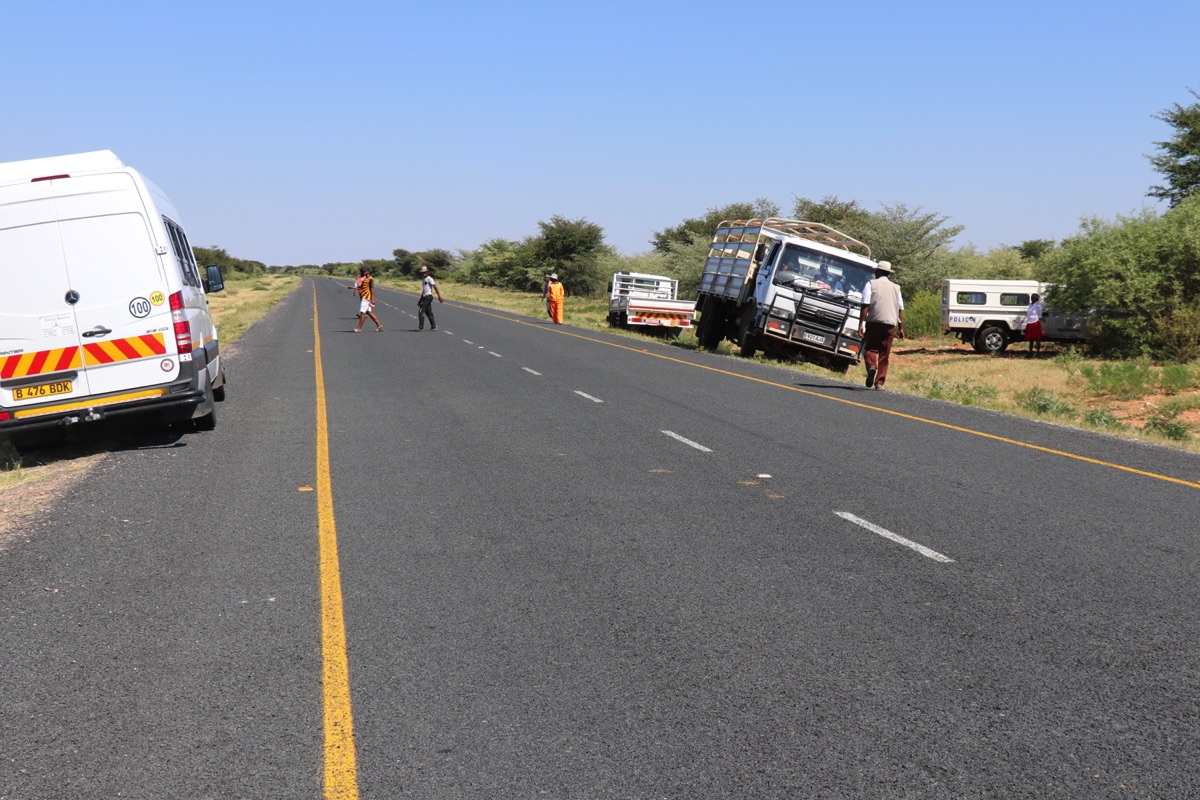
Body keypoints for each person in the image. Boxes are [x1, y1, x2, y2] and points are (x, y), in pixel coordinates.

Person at [857, 260, 904, 389]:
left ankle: (872, 366)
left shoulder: (871, 284)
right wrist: (901, 328)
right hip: (890, 324)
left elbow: (865, 304)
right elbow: (900, 308)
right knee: (884, 354)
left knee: (870, 348)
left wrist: (861, 323)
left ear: (879, 271)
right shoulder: (896, 288)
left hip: (873, 322)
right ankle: (879, 382)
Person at [346, 267, 382, 332]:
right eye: (362, 271)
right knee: (368, 312)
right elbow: (360, 288)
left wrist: (373, 299)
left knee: (363, 313)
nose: (362, 273)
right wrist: (352, 287)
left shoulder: (371, 279)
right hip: (364, 296)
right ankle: (379, 325)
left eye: (363, 271)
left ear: (368, 271)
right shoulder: (365, 279)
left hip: (366, 298)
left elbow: (372, 289)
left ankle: (359, 328)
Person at [417, 266, 443, 331]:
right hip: (425, 297)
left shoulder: (429, 279)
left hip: (428, 297)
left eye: (425, 272)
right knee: (428, 312)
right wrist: (420, 299)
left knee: (421, 311)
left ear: (427, 272)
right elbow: (424, 290)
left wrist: (439, 296)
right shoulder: (423, 279)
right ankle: (433, 326)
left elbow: (435, 287)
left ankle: (420, 327)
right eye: (422, 272)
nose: (423, 274)